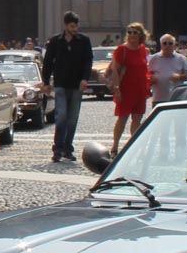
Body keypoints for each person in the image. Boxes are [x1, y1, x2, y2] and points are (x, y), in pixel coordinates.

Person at [41, 10, 94, 163]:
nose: (74, 29)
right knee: (61, 116)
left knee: (72, 119)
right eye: (71, 26)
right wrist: (46, 82)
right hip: (61, 85)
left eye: (76, 26)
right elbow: (48, 62)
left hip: (77, 86)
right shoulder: (55, 41)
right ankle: (58, 149)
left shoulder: (84, 40)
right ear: (65, 26)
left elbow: (88, 61)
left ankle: (67, 148)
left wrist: (85, 78)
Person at [107, 22, 154, 150]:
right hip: (125, 89)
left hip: (140, 89)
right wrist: (117, 89)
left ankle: (134, 147)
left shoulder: (143, 49)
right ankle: (115, 146)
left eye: (134, 32)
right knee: (122, 118)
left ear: (141, 35)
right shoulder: (122, 49)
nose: (131, 35)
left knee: (137, 119)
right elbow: (115, 70)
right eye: (129, 32)